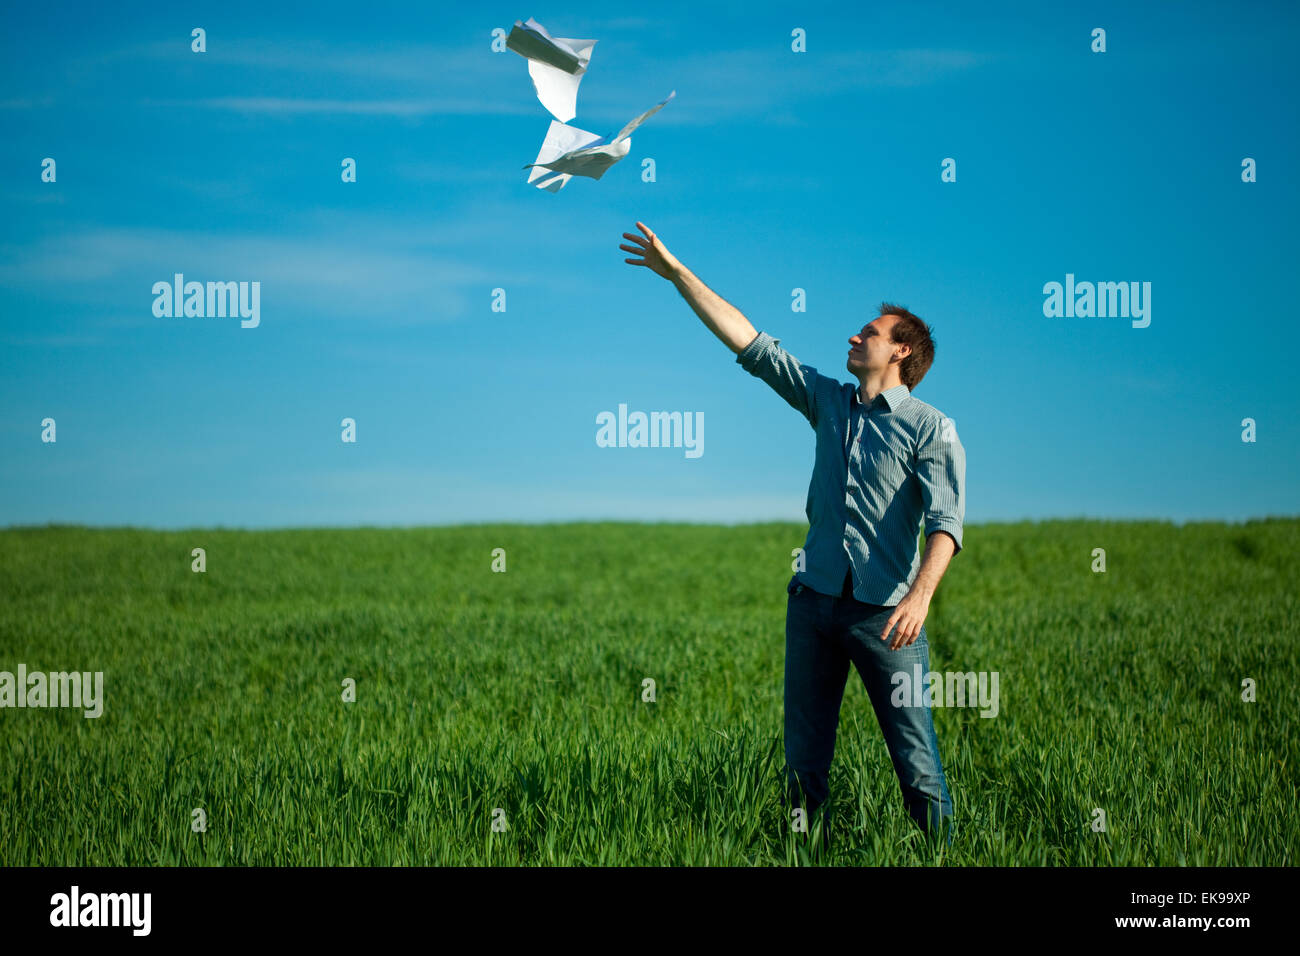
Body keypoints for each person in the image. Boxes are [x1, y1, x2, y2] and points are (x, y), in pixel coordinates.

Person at [621, 221, 965, 849]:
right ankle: (804, 856)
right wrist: (678, 276)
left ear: (901, 354)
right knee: (804, 770)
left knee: (918, 769)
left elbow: (945, 523)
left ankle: (946, 857)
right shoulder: (828, 402)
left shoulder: (930, 428)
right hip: (812, 607)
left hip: (888, 617)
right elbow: (751, 343)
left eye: (871, 333)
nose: (855, 336)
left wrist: (919, 598)